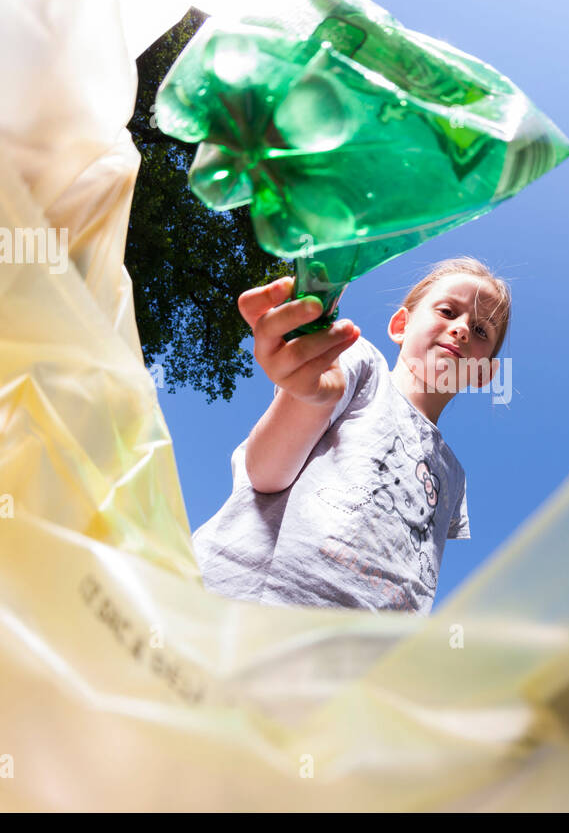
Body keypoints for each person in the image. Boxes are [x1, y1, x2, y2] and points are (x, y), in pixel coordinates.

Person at [192, 256, 510, 614]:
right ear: (400, 325)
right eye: (448, 311)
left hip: (349, 660)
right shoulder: (358, 366)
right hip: (242, 611)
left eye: (482, 330)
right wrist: (306, 398)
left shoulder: (454, 477)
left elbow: (418, 574)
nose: (463, 329)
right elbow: (265, 473)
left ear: (484, 374)